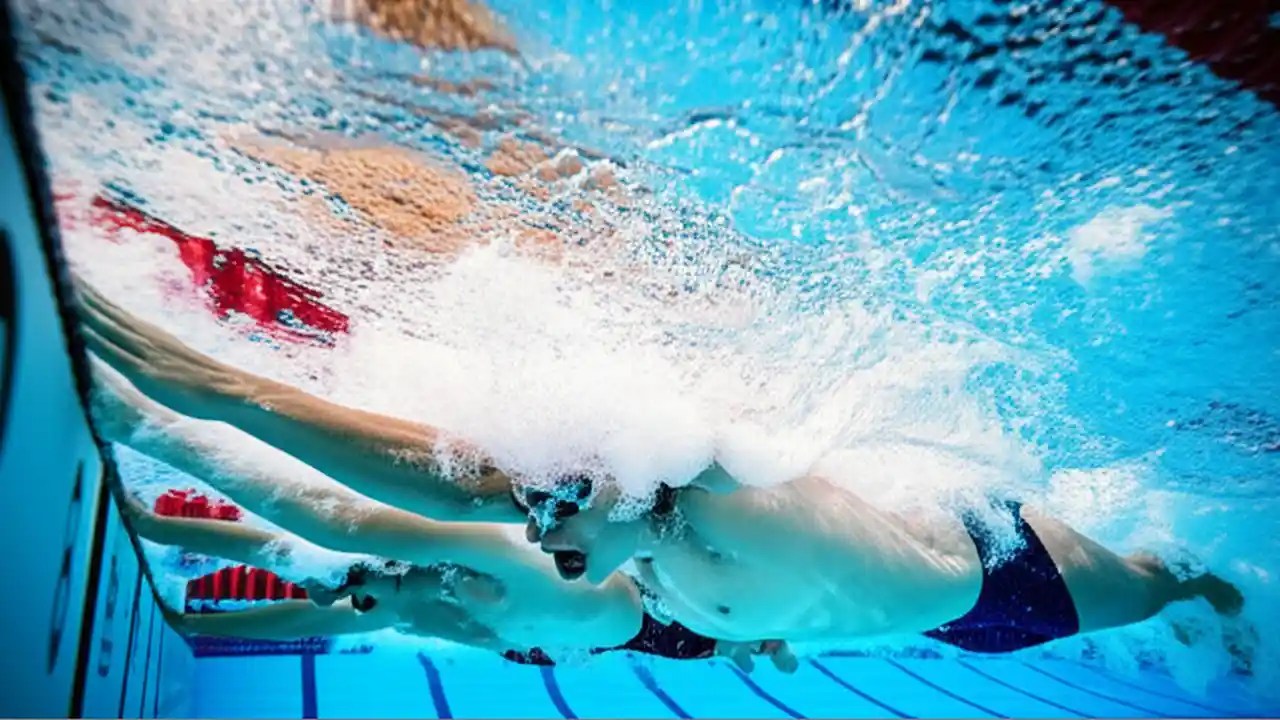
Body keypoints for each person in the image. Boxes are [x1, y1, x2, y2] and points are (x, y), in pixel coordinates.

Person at [77, 276, 1244, 659]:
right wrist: (218, 395)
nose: (532, 527)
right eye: (539, 507)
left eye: (551, 503)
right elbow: (430, 486)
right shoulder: (629, 557)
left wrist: (208, 401)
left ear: (630, 480)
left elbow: (683, 453)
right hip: (924, 621)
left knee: (1158, 583)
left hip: (1003, 573)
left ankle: (1207, 583)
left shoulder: (714, 485)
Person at [86, 297, 796, 671]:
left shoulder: (441, 608)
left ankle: (189, 405)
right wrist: (201, 410)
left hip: (621, 615)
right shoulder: (548, 588)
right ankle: (192, 399)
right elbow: (334, 535)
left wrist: (183, 598)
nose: (349, 597)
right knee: (459, 501)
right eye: (359, 587)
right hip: (643, 605)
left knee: (425, 528)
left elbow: (309, 582)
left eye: (355, 594)